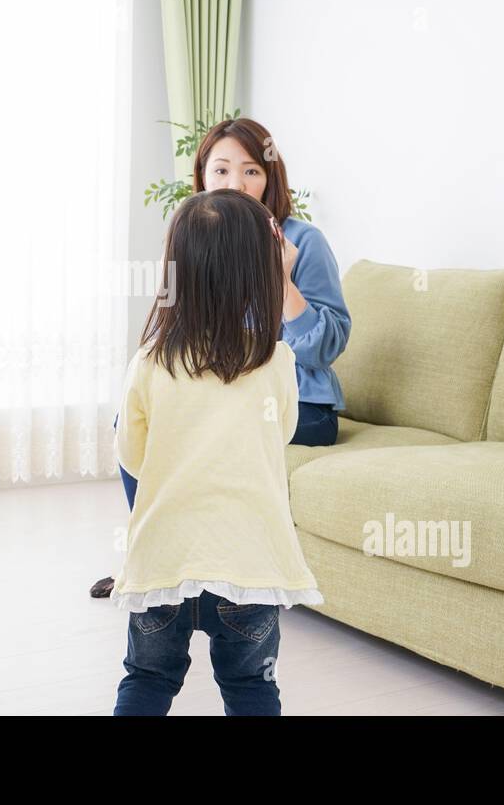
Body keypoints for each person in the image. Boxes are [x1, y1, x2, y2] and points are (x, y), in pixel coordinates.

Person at [91, 117, 351, 597]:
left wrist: (281, 279)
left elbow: (326, 345)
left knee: (209, 431)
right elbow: (177, 330)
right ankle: (150, 557)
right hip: (214, 389)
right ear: (203, 178)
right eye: (222, 171)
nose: (237, 184)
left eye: (252, 171)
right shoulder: (198, 236)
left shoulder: (303, 242)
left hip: (303, 404)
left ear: (272, 177)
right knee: (129, 422)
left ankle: (219, 570)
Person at [110, 188, 323, 715]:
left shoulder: (151, 362)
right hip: (250, 563)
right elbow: (283, 433)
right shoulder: (277, 362)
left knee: (148, 679)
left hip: (164, 561)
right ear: (260, 273)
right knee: (251, 686)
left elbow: (132, 455)